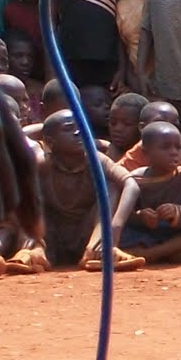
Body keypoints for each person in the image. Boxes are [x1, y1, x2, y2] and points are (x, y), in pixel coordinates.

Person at [33, 109, 144, 270]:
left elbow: (131, 184)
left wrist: (116, 226)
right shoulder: (42, 164)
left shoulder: (96, 159)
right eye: (68, 128)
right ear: (50, 142)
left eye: (81, 126)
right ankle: (34, 253)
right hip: (51, 235)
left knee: (111, 187)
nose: (78, 132)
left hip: (86, 233)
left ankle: (97, 251)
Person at [110, 121, 181, 263]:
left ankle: (152, 254)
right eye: (165, 147)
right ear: (146, 153)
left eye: (178, 148)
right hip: (147, 234)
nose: (174, 152)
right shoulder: (134, 180)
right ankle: (173, 251)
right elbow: (121, 214)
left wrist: (179, 212)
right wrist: (140, 217)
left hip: (179, 232)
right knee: (115, 231)